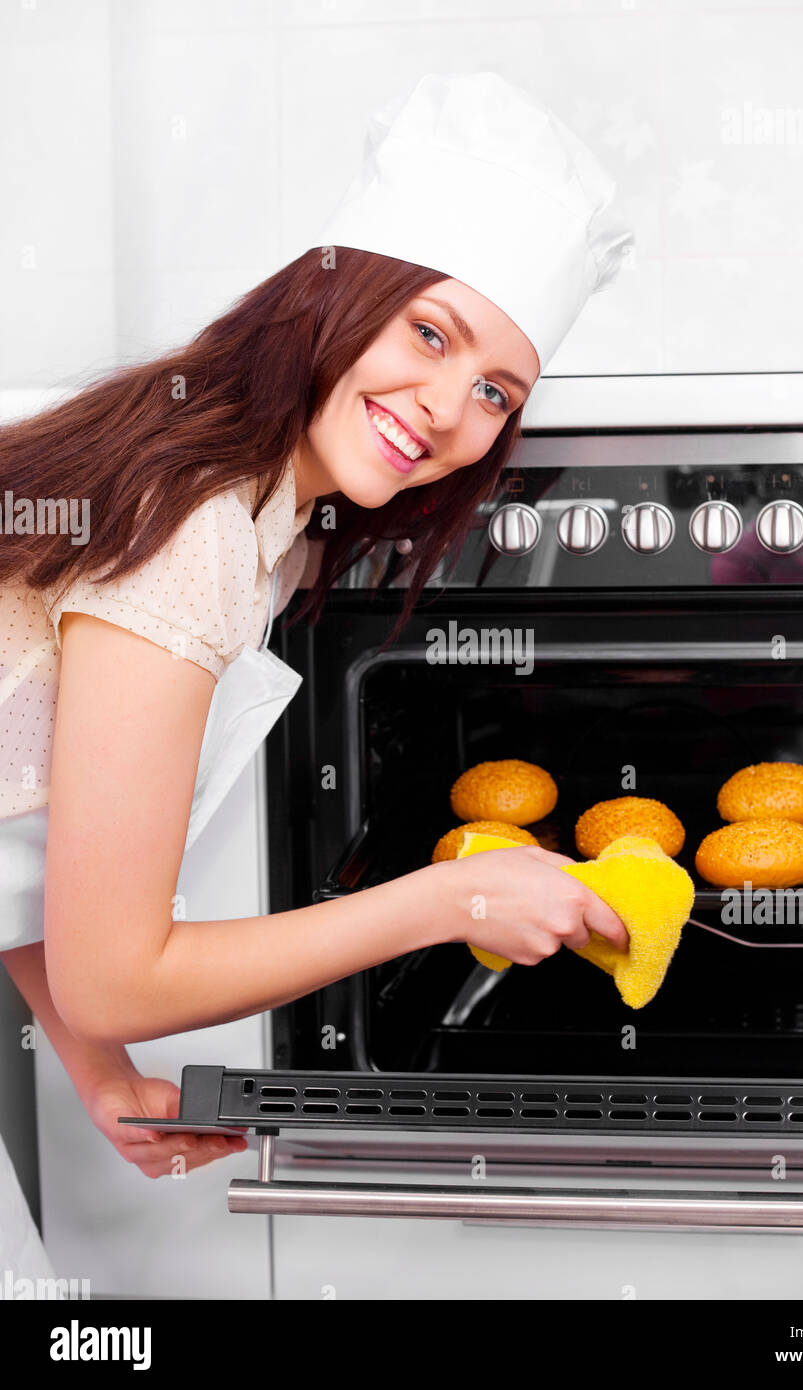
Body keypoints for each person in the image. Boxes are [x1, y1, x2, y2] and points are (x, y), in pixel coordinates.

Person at [0, 71, 634, 1279]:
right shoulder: (192, 527)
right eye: (430, 333)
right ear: (336, 293)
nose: (448, 408)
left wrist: (90, 1071)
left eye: (496, 389)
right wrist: (455, 899)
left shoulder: (272, 525)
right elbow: (115, 970)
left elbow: (29, 821)